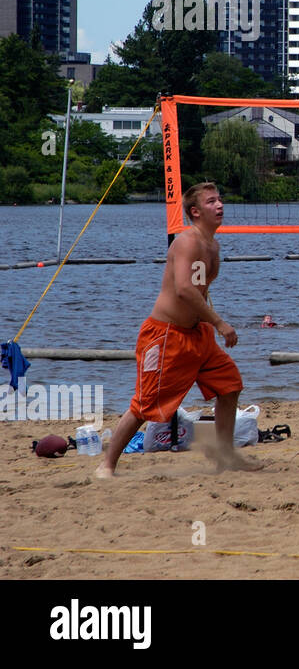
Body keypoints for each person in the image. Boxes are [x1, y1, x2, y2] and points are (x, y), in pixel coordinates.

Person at [96, 182, 251, 478]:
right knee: (145, 405)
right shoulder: (187, 241)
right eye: (211, 202)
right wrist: (219, 322)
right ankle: (106, 465)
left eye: (220, 199)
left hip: (198, 336)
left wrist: (208, 324)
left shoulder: (212, 244)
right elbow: (183, 290)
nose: (219, 205)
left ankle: (225, 457)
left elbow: (200, 291)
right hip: (167, 335)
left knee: (230, 386)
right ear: (195, 211)